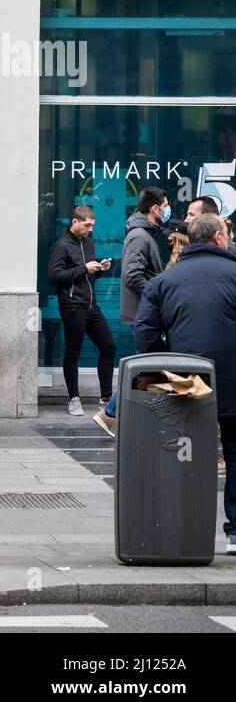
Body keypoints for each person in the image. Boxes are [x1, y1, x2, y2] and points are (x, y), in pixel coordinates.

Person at [133, 214, 236, 556]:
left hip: (185, 385)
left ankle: (183, 526)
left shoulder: (165, 280)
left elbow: (144, 334)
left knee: (185, 453)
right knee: (235, 456)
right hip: (233, 383)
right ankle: (235, 531)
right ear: (219, 239)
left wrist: (171, 369)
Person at [101, 187, 171, 426]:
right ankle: (110, 412)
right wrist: (157, 296)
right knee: (149, 366)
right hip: (144, 313)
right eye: (166, 205)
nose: (168, 210)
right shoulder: (141, 236)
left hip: (145, 313)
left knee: (151, 366)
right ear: (155, 208)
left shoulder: (144, 234)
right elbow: (132, 276)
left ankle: (119, 413)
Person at [47, 206, 115, 418]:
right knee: (73, 353)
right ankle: (74, 398)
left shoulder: (89, 243)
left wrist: (99, 269)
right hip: (72, 306)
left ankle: (105, 398)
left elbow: (86, 277)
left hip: (91, 306)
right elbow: (55, 276)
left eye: (92, 226)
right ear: (75, 222)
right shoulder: (61, 245)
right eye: (87, 225)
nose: (90, 230)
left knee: (108, 347)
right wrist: (85, 268)